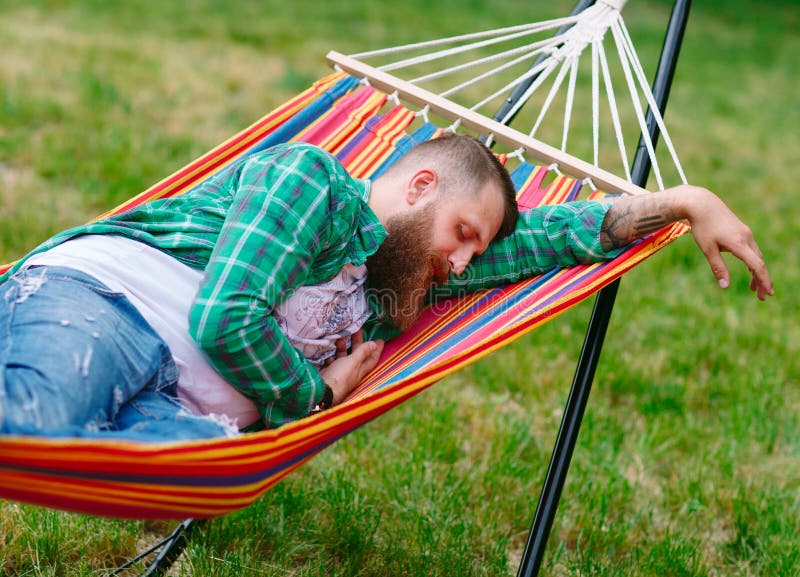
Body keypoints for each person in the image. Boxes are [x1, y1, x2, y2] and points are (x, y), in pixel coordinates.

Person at [0, 135, 773, 441]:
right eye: (463, 234)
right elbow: (226, 315)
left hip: (179, 415)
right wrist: (316, 394)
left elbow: (550, 236)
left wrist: (684, 200)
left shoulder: (391, 285)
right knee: (33, 426)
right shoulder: (310, 183)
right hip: (103, 307)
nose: (466, 263)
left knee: (129, 458)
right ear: (421, 185)